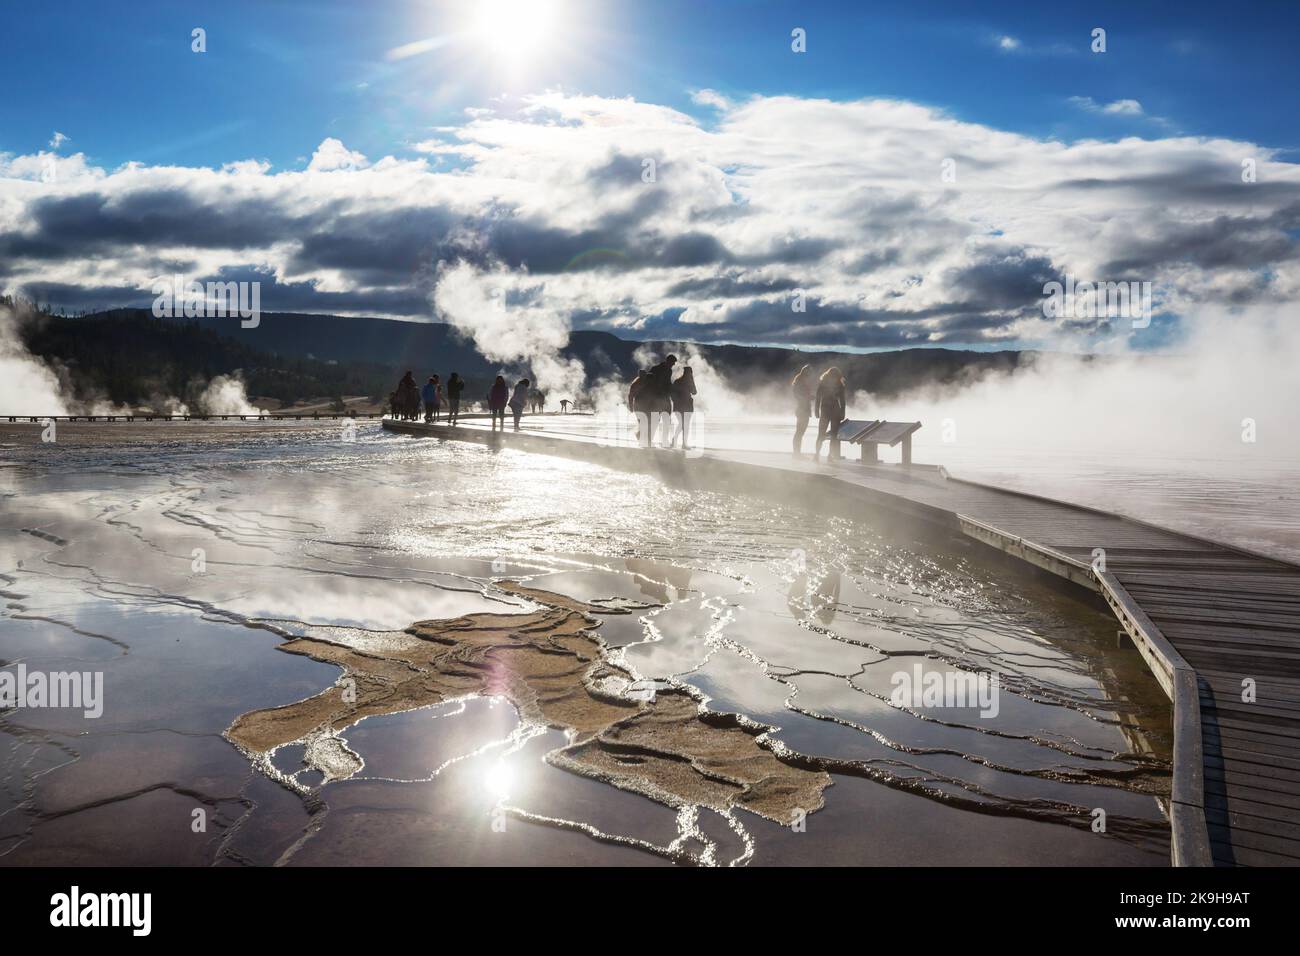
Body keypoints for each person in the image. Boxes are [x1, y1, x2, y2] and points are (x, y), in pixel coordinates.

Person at [814, 367, 847, 461]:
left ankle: (827, 455)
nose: (834, 377)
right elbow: (818, 398)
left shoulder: (838, 385)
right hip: (827, 410)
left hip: (830, 410)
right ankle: (818, 455)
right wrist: (816, 411)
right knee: (824, 434)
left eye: (835, 376)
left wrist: (842, 412)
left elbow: (843, 400)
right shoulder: (824, 384)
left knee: (832, 435)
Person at [643, 354, 677, 445]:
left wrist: (671, 390)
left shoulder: (669, 370)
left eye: (673, 363)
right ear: (668, 361)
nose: (673, 365)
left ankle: (664, 440)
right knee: (655, 419)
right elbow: (648, 381)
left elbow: (668, 382)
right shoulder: (655, 369)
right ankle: (648, 439)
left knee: (666, 420)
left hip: (665, 397)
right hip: (656, 398)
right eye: (672, 363)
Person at [668, 366, 697, 450]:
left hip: (679, 407)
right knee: (685, 425)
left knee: (682, 425)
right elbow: (694, 392)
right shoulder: (688, 381)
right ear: (690, 373)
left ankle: (675, 441)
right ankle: (683, 443)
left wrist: (676, 402)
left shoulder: (677, 381)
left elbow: (672, 394)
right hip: (686, 406)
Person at [791, 365, 816, 455]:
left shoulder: (802, 381)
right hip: (802, 409)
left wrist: (809, 397)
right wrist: (808, 398)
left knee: (800, 432)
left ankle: (797, 452)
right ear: (805, 371)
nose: (810, 373)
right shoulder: (800, 381)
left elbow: (800, 395)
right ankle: (796, 453)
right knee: (799, 432)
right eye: (809, 371)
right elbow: (797, 395)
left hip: (804, 408)